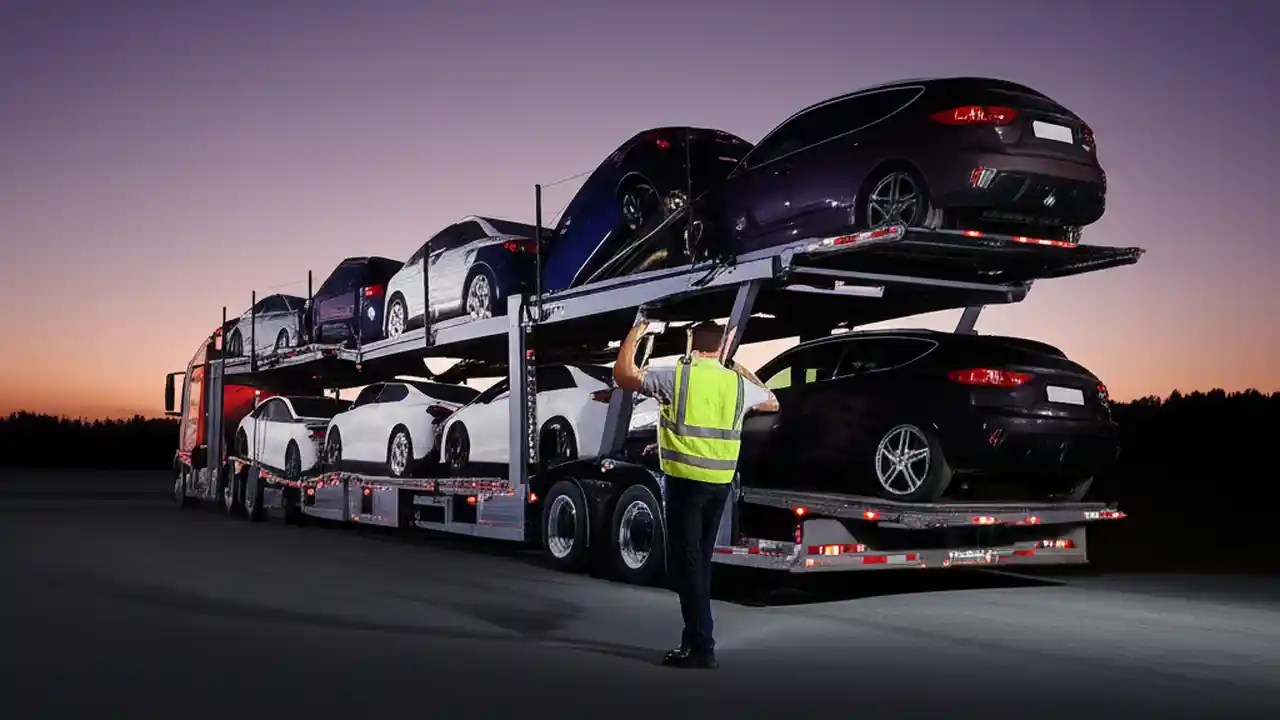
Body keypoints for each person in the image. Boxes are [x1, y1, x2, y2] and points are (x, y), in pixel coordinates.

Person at [614, 317, 779, 669]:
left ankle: (701, 645)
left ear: (691, 346)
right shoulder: (736, 384)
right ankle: (698, 639)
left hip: (685, 482)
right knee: (699, 561)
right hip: (719, 484)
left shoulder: (678, 375)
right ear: (720, 347)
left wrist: (636, 331)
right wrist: (733, 365)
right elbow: (771, 402)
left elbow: (625, 375)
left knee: (686, 563)